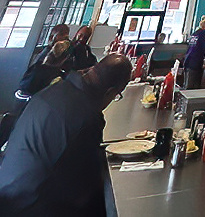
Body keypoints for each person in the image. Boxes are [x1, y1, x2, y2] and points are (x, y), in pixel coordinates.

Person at [0, 53, 132, 216]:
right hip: (31, 205)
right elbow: (83, 184)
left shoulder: (53, 90)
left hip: (9, 191)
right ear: (110, 92)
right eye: (116, 96)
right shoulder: (86, 118)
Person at [15, 40, 73, 108]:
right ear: (65, 58)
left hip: (20, 104)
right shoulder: (57, 76)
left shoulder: (37, 66)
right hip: (34, 108)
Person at [182, 15, 205, 89]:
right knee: (191, 87)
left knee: (186, 84)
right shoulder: (203, 35)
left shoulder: (194, 34)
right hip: (195, 62)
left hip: (187, 60)